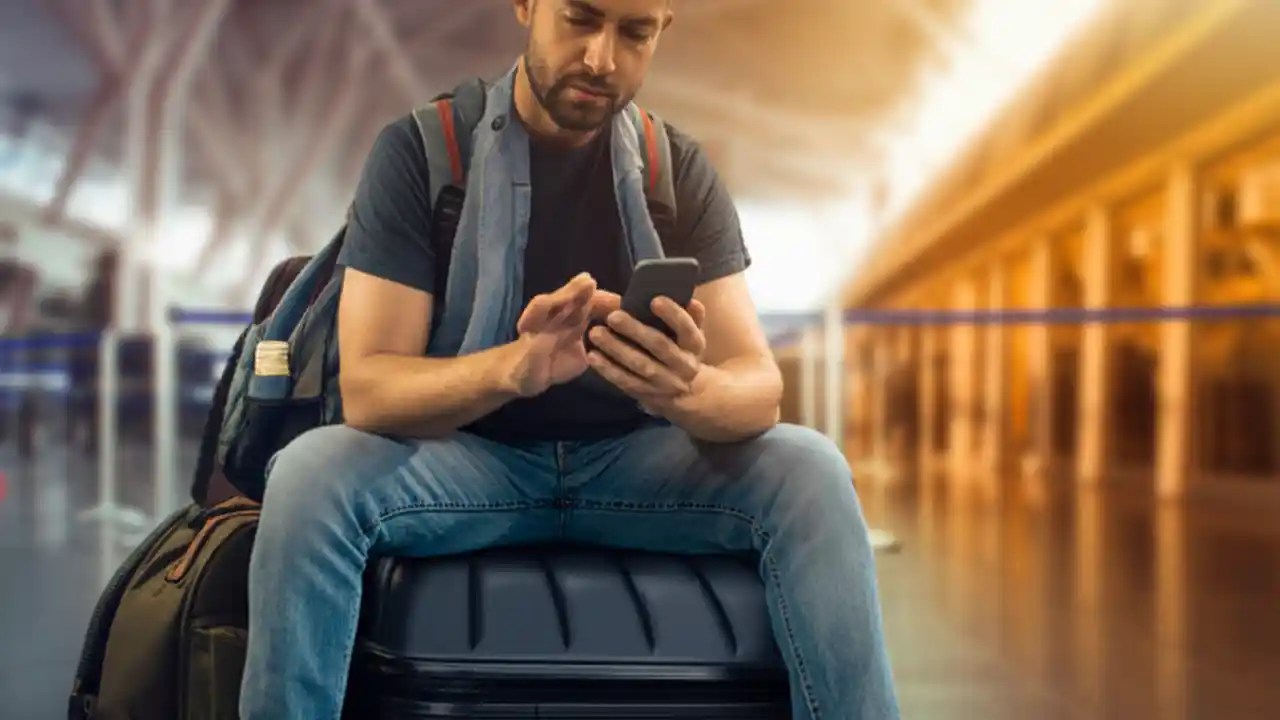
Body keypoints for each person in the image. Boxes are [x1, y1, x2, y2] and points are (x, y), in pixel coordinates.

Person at [239, 1, 900, 718]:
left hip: (632, 464)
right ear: (526, 6)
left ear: (663, 29)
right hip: (464, 465)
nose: (602, 59)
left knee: (811, 470)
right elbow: (370, 389)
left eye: (634, 32)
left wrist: (685, 390)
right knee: (310, 475)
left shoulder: (673, 169)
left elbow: (756, 389)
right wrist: (512, 369)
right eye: (580, 19)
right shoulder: (424, 152)